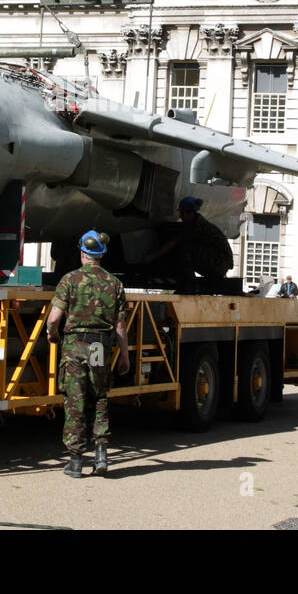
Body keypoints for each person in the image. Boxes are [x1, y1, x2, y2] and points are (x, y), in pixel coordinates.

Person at [46, 230, 130, 478]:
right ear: (101, 255)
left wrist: (52, 334)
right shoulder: (114, 284)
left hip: (75, 345)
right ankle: (101, 454)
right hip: (98, 346)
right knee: (99, 396)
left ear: (83, 253)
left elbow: (54, 319)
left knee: (75, 399)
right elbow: (120, 326)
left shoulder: (69, 280)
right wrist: (124, 355)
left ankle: (75, 461)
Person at [143, 196, 235, 290]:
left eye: (182, 213)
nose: (180, 216)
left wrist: (151, 257)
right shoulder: (196, 224)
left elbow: (172, 243)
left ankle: (191, 284)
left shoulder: (196, 227)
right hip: (218, 262)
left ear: (190, 213)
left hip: (219, 263)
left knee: (184, 248)